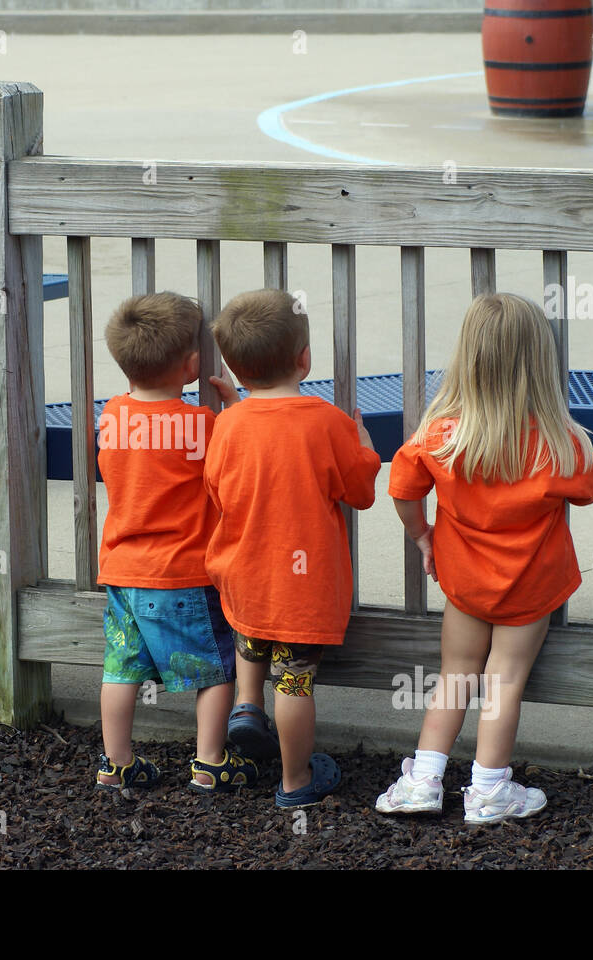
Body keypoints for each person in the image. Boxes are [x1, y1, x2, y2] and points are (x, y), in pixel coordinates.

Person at [376, 292, 593, 823]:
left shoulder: (441, 434)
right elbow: (590, 489)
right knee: (504, 681)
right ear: (539, 363)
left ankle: (424, 782)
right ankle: (489, 790)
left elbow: (403, 485)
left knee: (454, 673)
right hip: (530, 588)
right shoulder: (559, 443)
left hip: (465, 583)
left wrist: (422, 534)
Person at [205, 289, 380, 808]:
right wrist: (366, 448)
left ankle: (244, 705)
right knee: (296, 685)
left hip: (244, 576)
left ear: (234, 367)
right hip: (300, 591)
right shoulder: (327, 423)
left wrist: (237, 413)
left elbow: (220, 485)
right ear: (304, 358)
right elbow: (361, 493)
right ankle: (296, 779)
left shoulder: (227, 425)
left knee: (251, 638)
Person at [95, 292, 257, 794]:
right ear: (192, 367)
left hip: (123, 572)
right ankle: (209, 761)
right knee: (212, 670)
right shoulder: (204, 425)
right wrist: (233, 404)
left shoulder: (111, 418)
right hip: (181, 574)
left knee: (120, 669)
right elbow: (235, 463)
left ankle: (116, 761)